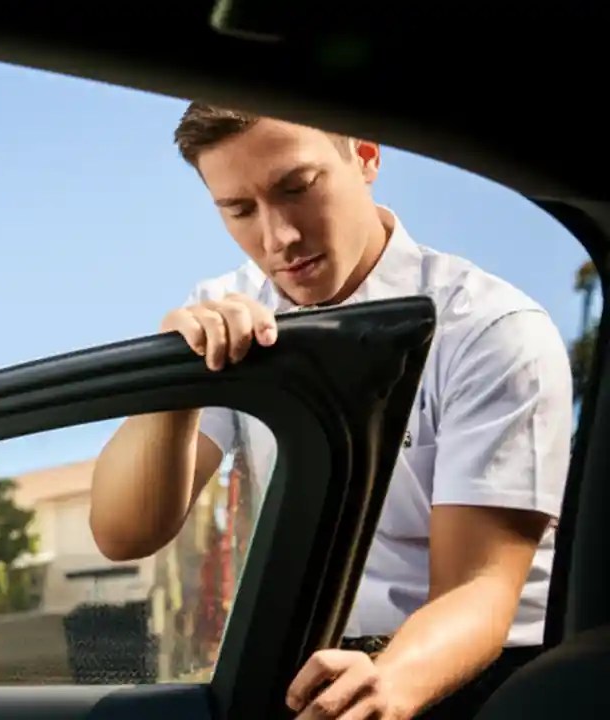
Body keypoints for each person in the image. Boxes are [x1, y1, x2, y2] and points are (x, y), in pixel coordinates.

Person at [89, 103, 573, 719]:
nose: (278, 238)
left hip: (475, 680)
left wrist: (390, 683)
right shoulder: (225, 308)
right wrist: (175, 385)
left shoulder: (489, 329)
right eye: (239, 210)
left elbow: (479, 589)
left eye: (297, 188)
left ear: (365, 156)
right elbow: (124, 533)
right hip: (300, 666)